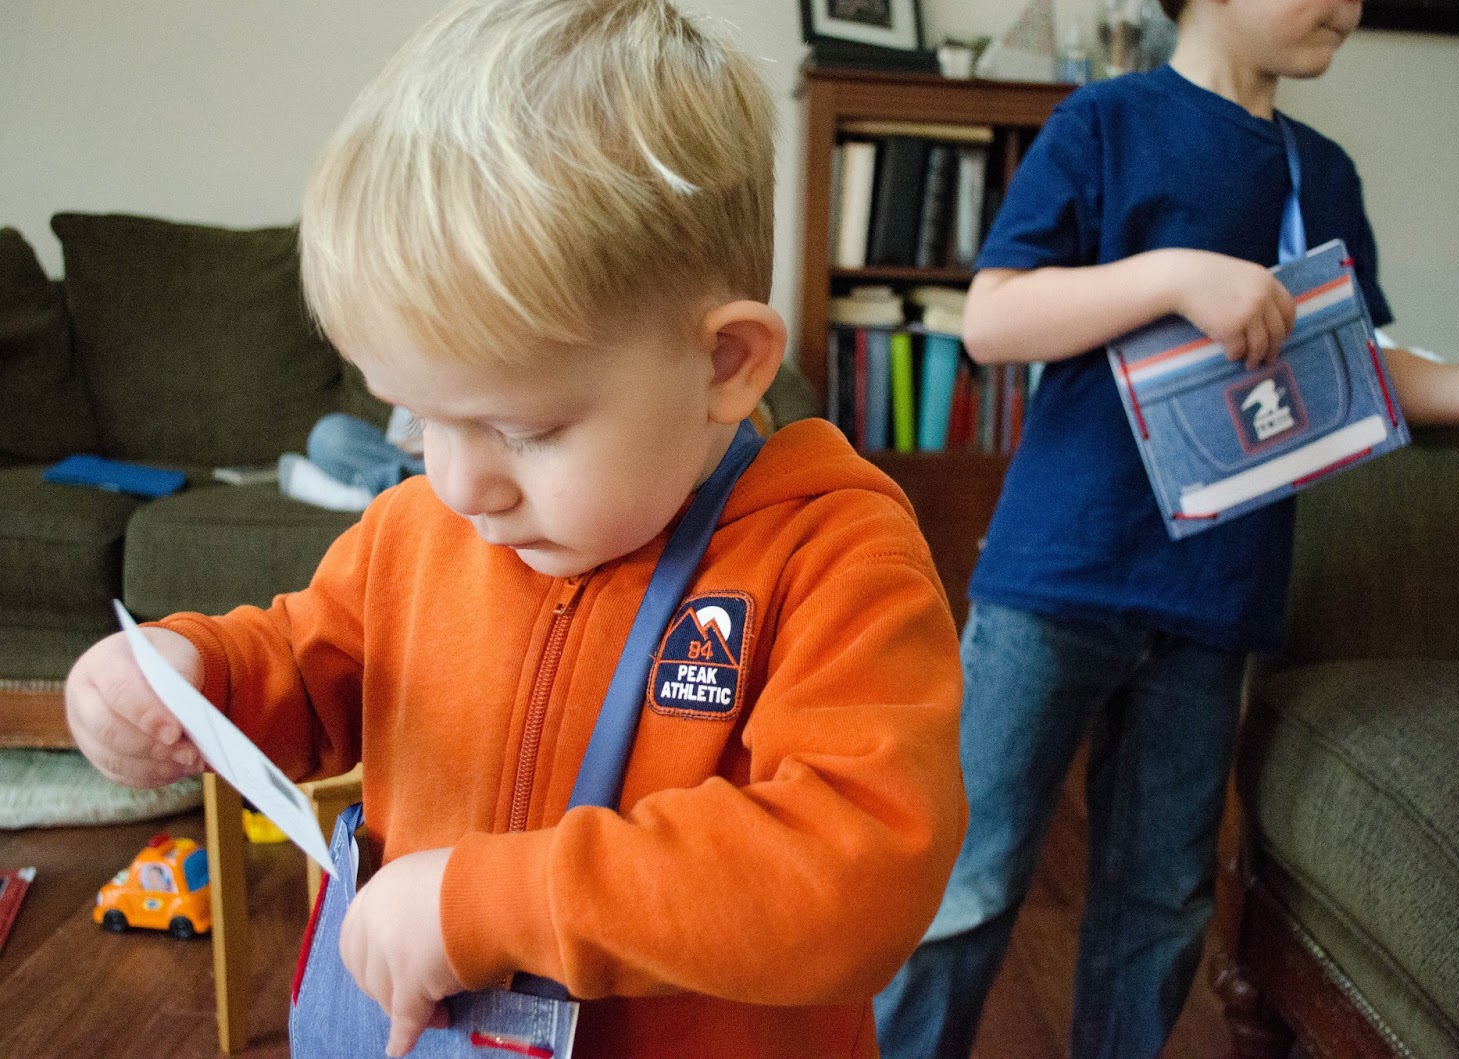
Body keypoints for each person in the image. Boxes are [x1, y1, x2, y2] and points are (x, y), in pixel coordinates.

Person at [63, 2, 966, 1057]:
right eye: (416, 419)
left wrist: (492, 903)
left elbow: (856, 869)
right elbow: (305, 662)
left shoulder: (833, 560)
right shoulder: (415, 530)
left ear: (725, 364)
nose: (457, 483)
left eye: (522, 429)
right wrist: (191, 676)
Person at [874, 1, 1459, 1057]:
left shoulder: (1322, 172)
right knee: (969, 879)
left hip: (1217, 600)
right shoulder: (1104, 123)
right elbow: (992, 320)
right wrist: (1174, 275)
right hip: (1057, 578)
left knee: (1160, 902)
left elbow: (1351, 367)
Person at [278, 407, 426, 512]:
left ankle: (370, 495)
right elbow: (401, 444)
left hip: (428, 468)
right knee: (328, 435)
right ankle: (379, 489)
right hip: (415, 458)